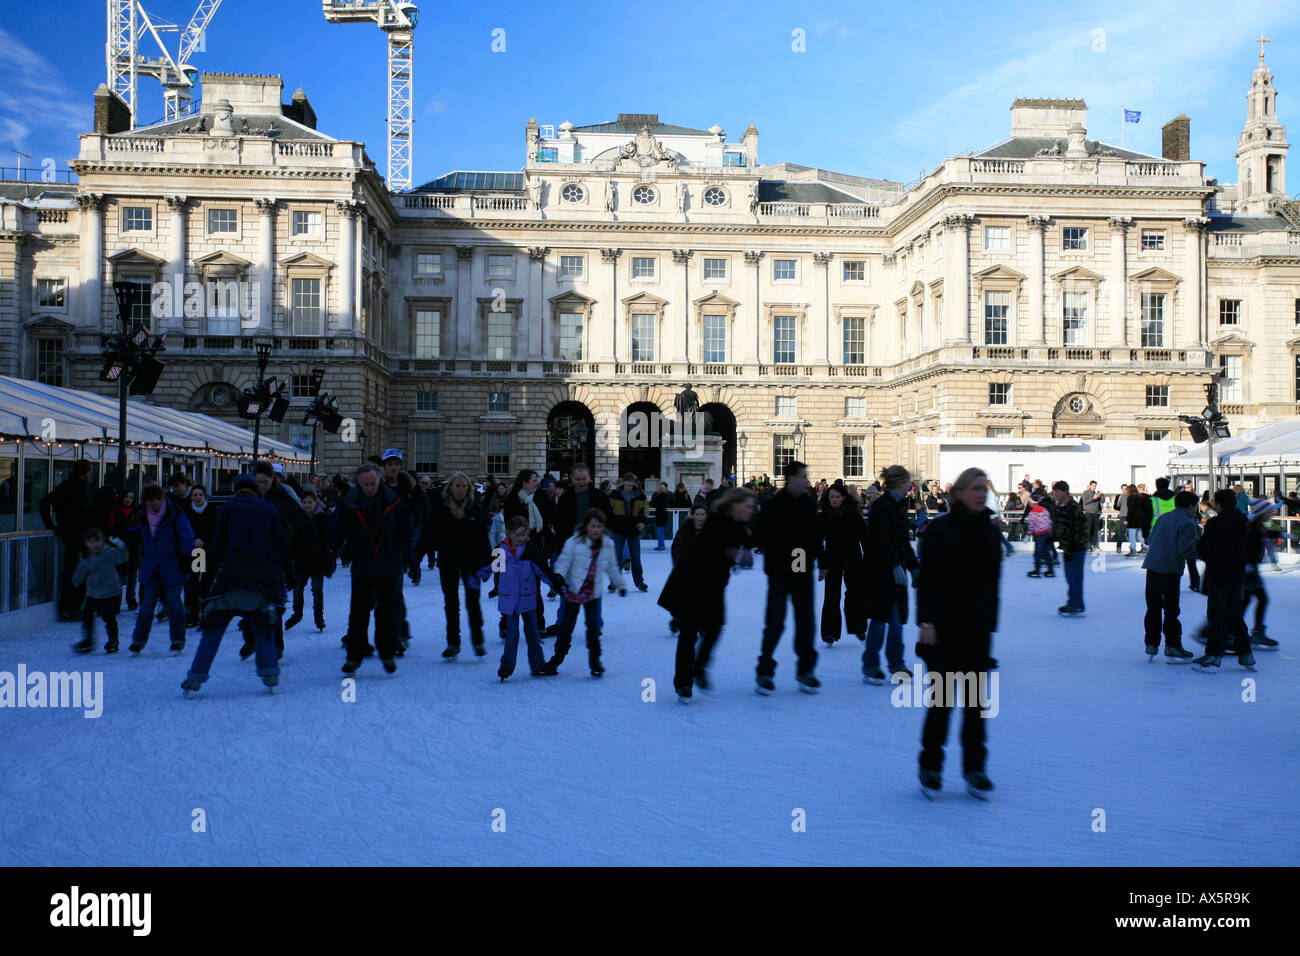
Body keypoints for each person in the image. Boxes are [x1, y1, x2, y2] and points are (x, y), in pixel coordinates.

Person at [915, 467, 1002, 800]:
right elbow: (928, 581)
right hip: (942, 630)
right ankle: (931, 767)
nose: (982, 493)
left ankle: (974, 769)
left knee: (976, 707)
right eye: (976, 488)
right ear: (961, 492)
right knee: (941, 704)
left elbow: (993, 586)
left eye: (985, 488)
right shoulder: (941, 529)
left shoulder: (991, 532)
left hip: (977, 632)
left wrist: (990, 627)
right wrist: (926, 623)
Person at [180, 474, 289, 695]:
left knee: (213, 629)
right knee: (262, 626)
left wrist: (205, 577)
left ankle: (195, 677)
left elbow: (217, 546)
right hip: (261, 579)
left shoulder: (227, 509)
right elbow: (281, 544)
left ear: (235, 489)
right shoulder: (268, 509)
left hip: (230, 578)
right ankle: (269, 673)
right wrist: (285, 573)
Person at [659, 488, 756, 700]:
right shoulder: (716, 519)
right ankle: (683, 683)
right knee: (689, 633)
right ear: (734, 505)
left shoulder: (740, 525)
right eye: (747, 506)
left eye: (752, 507)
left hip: (715, 586)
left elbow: (752, 540)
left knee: (715, 627)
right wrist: (735, 552)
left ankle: (699, 668)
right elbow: (715, 543)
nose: (750, 511)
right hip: (691, 583)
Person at [326, 463, 417, 675]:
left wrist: (411, 560)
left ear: (380, 481)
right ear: (358, 482)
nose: (369, 488)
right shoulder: (349, 502)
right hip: (363, 565)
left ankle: (386, 653)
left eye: (373, 484)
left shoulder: (394, 501)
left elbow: (406, 532)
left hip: (388, 564)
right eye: (365, 484)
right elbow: (335, 530)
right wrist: (330, 554)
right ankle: (354, 657)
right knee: (358, 614)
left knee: (386, 613)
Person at [754, 460, 824, 694]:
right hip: (780, 572)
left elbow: (816, 535)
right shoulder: (773, 504)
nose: (807, 480)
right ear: (791, 478)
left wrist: (821, 561)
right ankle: (764, 671)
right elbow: (760, 534)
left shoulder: (808, 503)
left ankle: (806, 670)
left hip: (802, 570)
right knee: (775, 622)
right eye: (803, 476)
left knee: (806, 623)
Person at [469, 516, 563, 681]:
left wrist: (558, 586)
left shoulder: (530, 551)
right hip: (509, 600)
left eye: (524, 534)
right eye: (518, 534)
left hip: (528, 599)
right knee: (512, 636)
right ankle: (506, 666)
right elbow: (490, 567)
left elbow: (544, 572)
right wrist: (476, 576)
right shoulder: (501, 551)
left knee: (533, 635)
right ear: (509, 533)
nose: (521, 538)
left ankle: (538, 665)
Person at [542, 508, 625, 676]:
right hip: (574, 590)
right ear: (586, 526)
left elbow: (612, 567)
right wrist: (558, 575)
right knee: (566, 627)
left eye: (599, 526)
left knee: (593, 628)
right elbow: (563, 562)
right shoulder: (574, 542)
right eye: (592, 526)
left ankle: (595, 661)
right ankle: (556, 659)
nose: (595, 530)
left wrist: (619, 584)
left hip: (593, 593)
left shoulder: (608, 544)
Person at [861, 465, 919, 685]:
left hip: (896, 571)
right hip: (880, 573)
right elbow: (880, 540)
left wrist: (913, 566)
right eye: (908, 483)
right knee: (879, 620)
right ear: (899, 483)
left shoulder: (898, 505)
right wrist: (895, 566)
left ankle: (896, 663)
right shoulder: (882, 507)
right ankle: (871, 665)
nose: (910, 487)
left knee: (895, 621)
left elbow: (903, 541)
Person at [429, 473, 492, 658]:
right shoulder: (441, 509)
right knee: (451, 603)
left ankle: (477, 639)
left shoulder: (476, 510)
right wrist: (415, 558)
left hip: (471, 564)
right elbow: (430, 534)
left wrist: (487, 564)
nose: (461, 489)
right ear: (450, 488)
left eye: (464, 486)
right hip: (448, 563)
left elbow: (483, 539)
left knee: (472, 602)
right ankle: (453, 642)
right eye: (457, 485)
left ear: (469, 489)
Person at [127, 483, 195, 653]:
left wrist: (187, 559)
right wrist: (132, 538)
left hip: (173, 564)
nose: (153, 505)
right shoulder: (142, 515)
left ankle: (178, 639)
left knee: (174, 602)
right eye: (149, 502)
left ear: (162, 499)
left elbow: (186, 536)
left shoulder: (175, 514)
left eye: (156, 501)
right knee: (147, 604)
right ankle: (139, 640)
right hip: (151, 565)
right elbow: (134, 531)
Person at [1191, 489, 1253, 672]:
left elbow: (1203, 548)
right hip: (1238, 575)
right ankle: (1246, 653)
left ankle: (1213, 654)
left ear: (1218, 504)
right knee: (1234, 616)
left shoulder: (1215, 524)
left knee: (1216, 616)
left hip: (1218, 575)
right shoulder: (1243, 522)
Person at [1140, 490, 1200, 662]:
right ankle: (1172, 645)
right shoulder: (1187, 522)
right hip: (1170, 568)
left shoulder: (1163, 518)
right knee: (1171, 609)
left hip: (1152, 566)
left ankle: (1151, 643)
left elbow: (1150, 539)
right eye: (1195, 505)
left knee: (1153, 606)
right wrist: (1206, 555)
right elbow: (1185, 549)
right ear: (1190, 506)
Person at [40, 459, 93, 621]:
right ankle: (71, 607)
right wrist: (52, 525)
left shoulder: (70, 487)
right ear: (86, 472)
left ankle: (73, 607)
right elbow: (45, 503)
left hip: (74, 532)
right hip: (75, 533)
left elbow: (45, 502)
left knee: (76, 569)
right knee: (75, 570)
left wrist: (53, 525)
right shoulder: (75, 488)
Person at [819, 481, 867, 646]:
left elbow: (864, 537)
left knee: (855, 594)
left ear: (844, 498)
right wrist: (821, 563)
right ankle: (829, 632)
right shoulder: (824, 515)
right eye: (831, 496)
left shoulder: (853, 514)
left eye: (837, 497)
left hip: (853, 558)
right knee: (831, 596)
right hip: (832, 559)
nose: (834, 499)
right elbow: (818, 541)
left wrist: (869, 557)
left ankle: (858, 627)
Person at [71, 528, 129, 654]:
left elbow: (122, 558)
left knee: (108, 617)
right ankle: (87, 640)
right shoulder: (86, 556)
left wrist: (121, 546)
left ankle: (113, 640)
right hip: (93, 592)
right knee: (87, 615)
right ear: (86, 543)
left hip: (110, 591)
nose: (94, 544)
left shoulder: (109, 553)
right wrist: (76, 581)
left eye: (97, 541)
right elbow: (81, 569)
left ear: (103, 540)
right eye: (90, 542)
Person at [285, 490, 328, 632]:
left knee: (317, 590)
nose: (308, 505)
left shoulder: (322, 519)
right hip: (301, 561)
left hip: (317, 561)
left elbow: (326, 539)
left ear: (316, 503)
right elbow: (292, 540)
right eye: (305, 502)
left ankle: (318, 616)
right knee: (298, 589)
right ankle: (297, 612)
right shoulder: (297, 520)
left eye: (310, 502)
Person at [1241, 499, 1279, 651]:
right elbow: (1247, 548)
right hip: (1248, 570)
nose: (1271, 514)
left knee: (1246, 600)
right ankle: (1249, 632)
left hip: (1250, 569)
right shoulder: (1251, 528)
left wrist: (1282, 533)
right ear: (1262, 512)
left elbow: (1265, 534)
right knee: (1259, 599)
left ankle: (1233, 630)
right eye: (1269, 512)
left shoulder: (1257, 526)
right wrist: (1249, 566)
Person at [608, 473, 650, 592]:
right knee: (617, 556)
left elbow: (645, 510)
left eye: (630, 485)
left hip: (634, 530)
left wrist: (642, 522)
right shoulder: (615, 495)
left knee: (636, 558)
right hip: (619, 529)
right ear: (623, 483)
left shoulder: (640, 496)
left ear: (634, 483)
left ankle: (639, 582)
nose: (628, 487)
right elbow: (608, 509)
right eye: (626, 485)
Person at [184, 484, 219, 628]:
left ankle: (206, 614)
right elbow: (185, 529)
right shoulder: (187, 511)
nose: (198, 497)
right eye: (195, 495)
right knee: (194, 584)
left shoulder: (211, 510)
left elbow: (215, 530)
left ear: (205, 496)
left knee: (206, 584)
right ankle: (194, 614)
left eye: (200, 495)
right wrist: (194, 540)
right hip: (196, 552)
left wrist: (204, 540)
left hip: (209, 550)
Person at [1052, 481, 1088, 617]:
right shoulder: (1059, 506)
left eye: (1057, 491)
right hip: (1067, 546)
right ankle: (1073, 601)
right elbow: (1060, 527)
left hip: (1077, 547)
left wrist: (1073, 547)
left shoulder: (1073, 507)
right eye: (1054, 491)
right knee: (1069, 576)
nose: (1055, 494)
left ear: (1065, 491)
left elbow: (1078, 528)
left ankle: (1077, 604)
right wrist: (1053, 537)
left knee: (1075, 576)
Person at [1024, 495, 1056, 577]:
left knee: (1037, 553)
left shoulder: (1033, 512)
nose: (1029, 503)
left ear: (1032, 503)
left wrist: (1028, 535)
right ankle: (1050, 569)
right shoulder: (1045, 510)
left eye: (1029, 502)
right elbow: (1049, 521)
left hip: (1039, 534)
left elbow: (1031, 526)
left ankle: (1037, 570)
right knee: (1046, 552)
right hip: (1047, 533)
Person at [1124, 484, 1148, 555]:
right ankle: (1146, 546)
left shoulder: (1131, 497)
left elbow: (1130, 510)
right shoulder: (1140, 497)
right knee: (1139, 535)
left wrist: (1127, 519)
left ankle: (1133, 549)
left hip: (1133, 519)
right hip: (1141, 518)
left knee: (1131, 535)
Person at [1082, 480, 1103, 551]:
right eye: (1093, 486)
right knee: (1088, 530)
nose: (1094, 487)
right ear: (1090, 485)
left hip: (1095, 513)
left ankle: (1094, 545)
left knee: (1095, 530)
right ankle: (1087, 545)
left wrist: (1100, 496)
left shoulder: (1096, 493)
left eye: (1095, 486)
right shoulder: (1086, 493)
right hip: (1088, 513)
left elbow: (1101, 501)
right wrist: (1093, 498)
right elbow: (1085, 502)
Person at [650, 483, 672, 551]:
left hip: (660, 515)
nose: (656, 490)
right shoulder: (667, 496)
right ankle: (660, 545)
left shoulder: (658, 497)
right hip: (664, 515)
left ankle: (661, 545)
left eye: (657, 489)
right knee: (661, 531)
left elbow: (653, 504)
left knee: (660, 531)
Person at [1113, 484, 1130, 553]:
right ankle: (1119, 546)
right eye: (1123, 489)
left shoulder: (1128, 496)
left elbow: (1118, 505)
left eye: (1126, 489)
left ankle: (1131, 547)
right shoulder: (1121, 496)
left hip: (1128, 516)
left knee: (1129, 532)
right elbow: (1116, 506)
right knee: (1122, 532)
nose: (1124, 490)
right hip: (1124, 516)